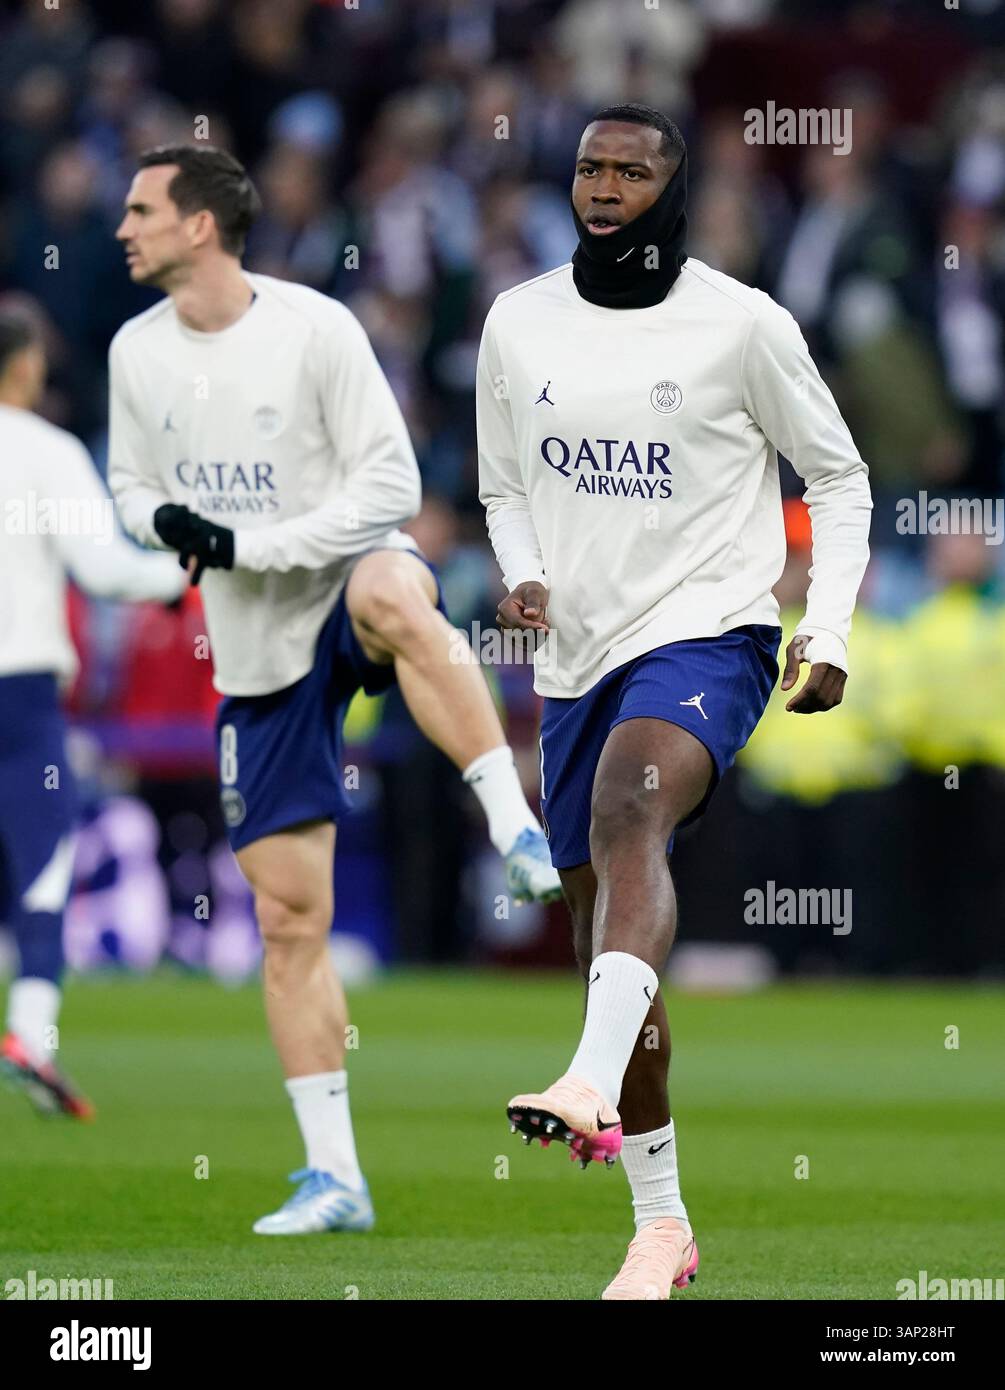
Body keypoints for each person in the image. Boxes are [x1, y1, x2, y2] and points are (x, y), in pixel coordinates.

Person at [107, 144, 560, 1236]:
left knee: (401, 590)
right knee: (287, 919)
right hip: (255, 648)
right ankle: (335, 1175)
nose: (121, 228)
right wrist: (163, 525)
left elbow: (393, 486)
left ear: (201, 224)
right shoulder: (135, 351)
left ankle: (515, 825)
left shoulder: (316, 328)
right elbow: (127, 485)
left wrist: (250, 545)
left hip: (342, 583)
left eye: (140, 209)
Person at [476, 103, 872, 1299]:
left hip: (712, 630)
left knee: (631, 806)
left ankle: (583, 1084)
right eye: (590, 166)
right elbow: (500, 486)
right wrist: (523, 570)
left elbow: (841, 475)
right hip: (577, 656)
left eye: (631, 171)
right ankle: (661, 1227)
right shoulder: (517, 320)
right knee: (611, 939)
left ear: (672, 186)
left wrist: (832, 624)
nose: (605, 187)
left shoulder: (741, 323)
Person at [0, 306, 185, 1118]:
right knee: (41, 860)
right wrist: (185, 570)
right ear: (26, 366)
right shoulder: (45, 450)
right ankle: (31, 1033)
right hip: (20, 695)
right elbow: (103, 568)